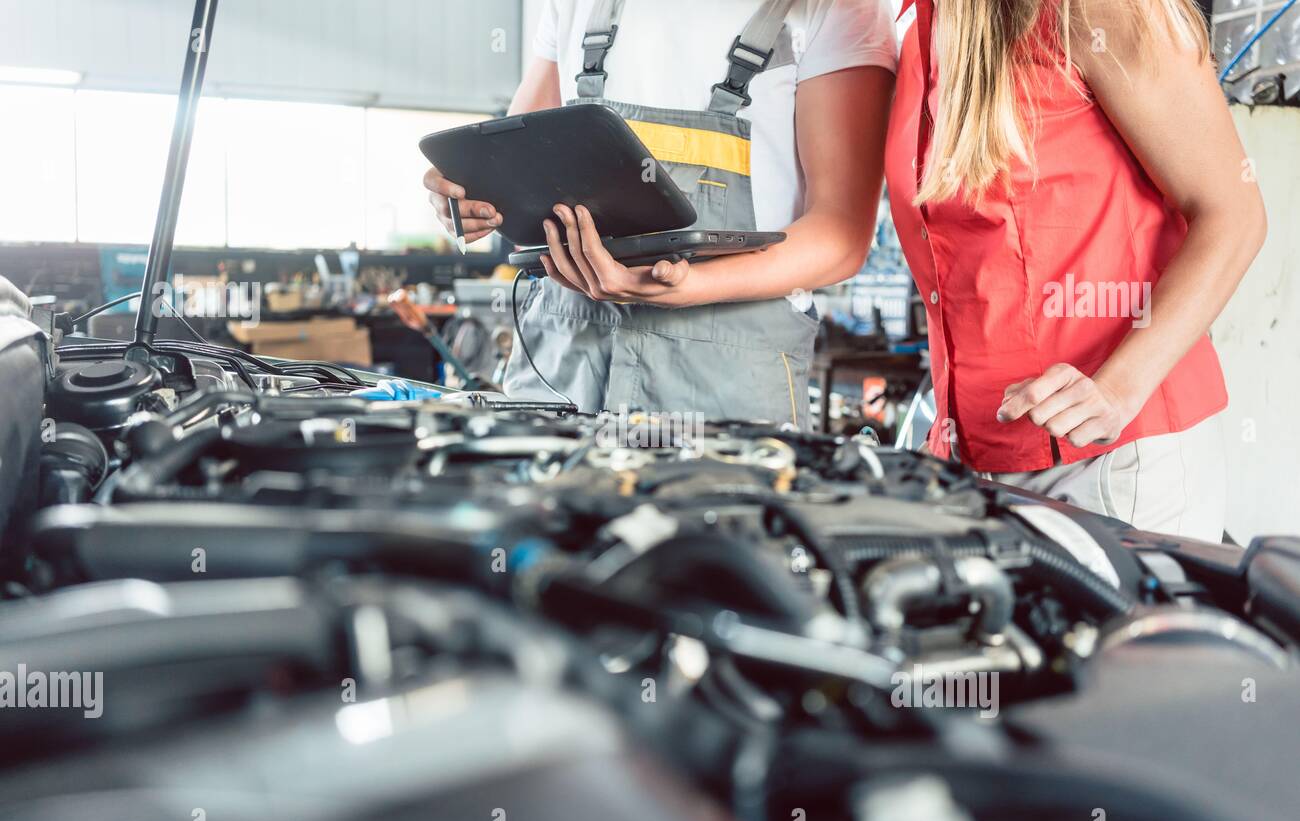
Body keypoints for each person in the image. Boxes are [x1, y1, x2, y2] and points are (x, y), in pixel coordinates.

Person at [885, 0, 1266, 542]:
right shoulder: (921, 27)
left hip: (1115, 464)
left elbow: (1233, 214)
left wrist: (1117, 390)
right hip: (981, 461)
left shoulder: (1091, 9)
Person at [423, 0, 897, 430]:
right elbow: (512, 170)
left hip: (725, 392)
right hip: (561, 367)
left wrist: (690, 287)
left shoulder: (833, 8)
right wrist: (468, 200)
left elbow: (841, 237)